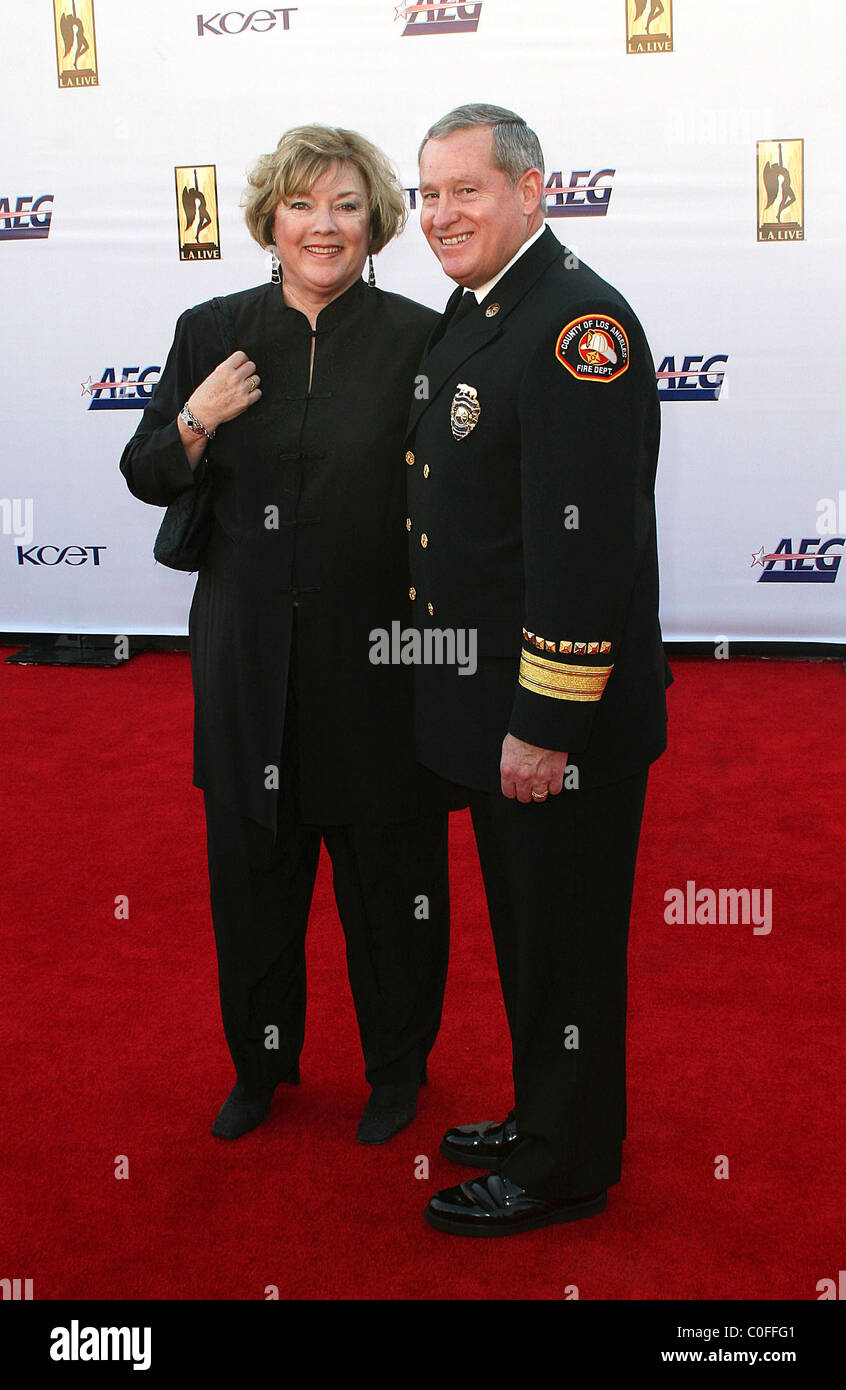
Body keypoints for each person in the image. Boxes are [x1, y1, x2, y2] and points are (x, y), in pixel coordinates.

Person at [120, 125, 454, 1146]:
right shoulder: (209, 329)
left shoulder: (419, 337)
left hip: (381, 662)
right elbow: (144, 471)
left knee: (393, 885)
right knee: (254, 882)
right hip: (248, 660)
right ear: (271, 217)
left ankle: (396, 1070)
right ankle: (260, 1069)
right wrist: (195, 419)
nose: (324, 225)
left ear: (376, 224)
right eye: (304, 203)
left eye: (347, 205)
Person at [406, 103, 672, 1235]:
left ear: (532, 190)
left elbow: (582, 554)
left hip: (556, 723)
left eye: (467, 190)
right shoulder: (484, 313)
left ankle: (565, 1167)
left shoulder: (576, 326)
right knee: (530, 933)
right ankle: (542, 1112)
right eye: (427, 195)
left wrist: (544, 725)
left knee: (563, 946)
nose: (441, 215)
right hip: (493, 713)